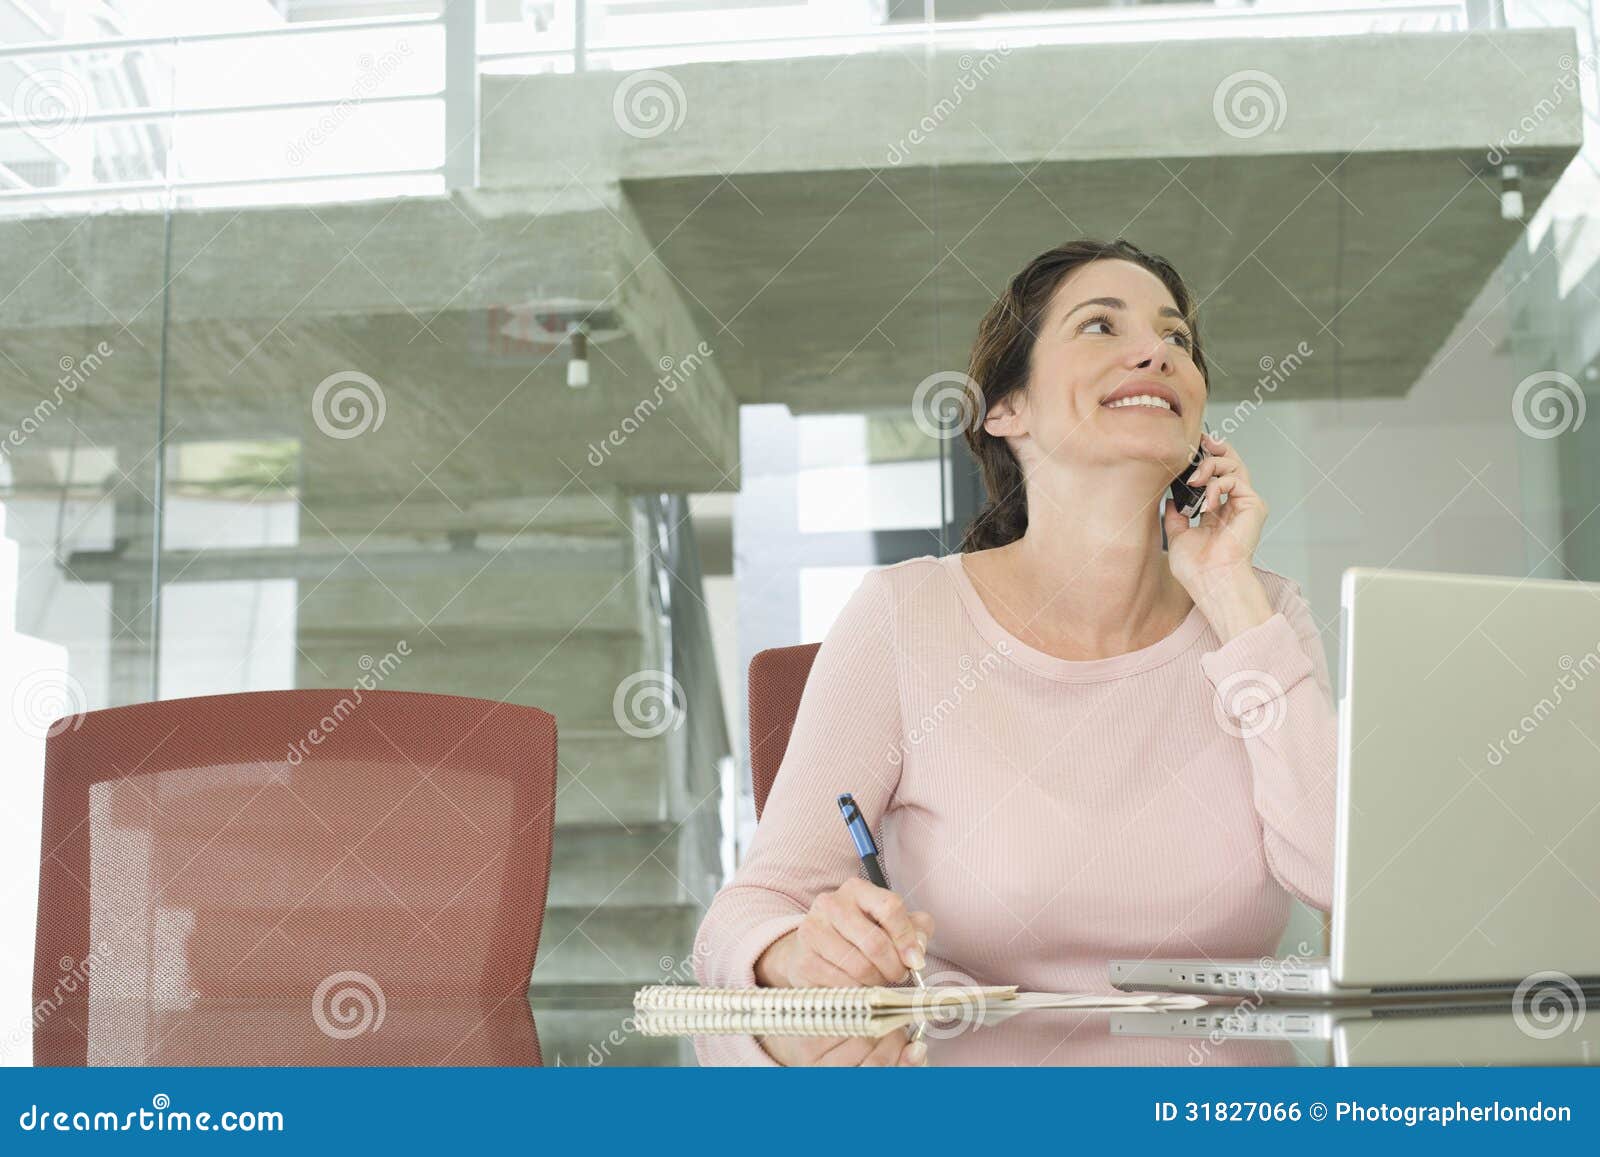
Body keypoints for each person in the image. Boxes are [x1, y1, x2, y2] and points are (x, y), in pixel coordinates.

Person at [694, 238, 1337, 1036]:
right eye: (1101, 326)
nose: (1156, 351)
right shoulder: (906, 614)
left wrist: (1231, 597)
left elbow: (1344, 876)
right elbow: (745, 915)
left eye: (1177, 339)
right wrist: (800, 954)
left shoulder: (1264, 613)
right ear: (1007, 410)